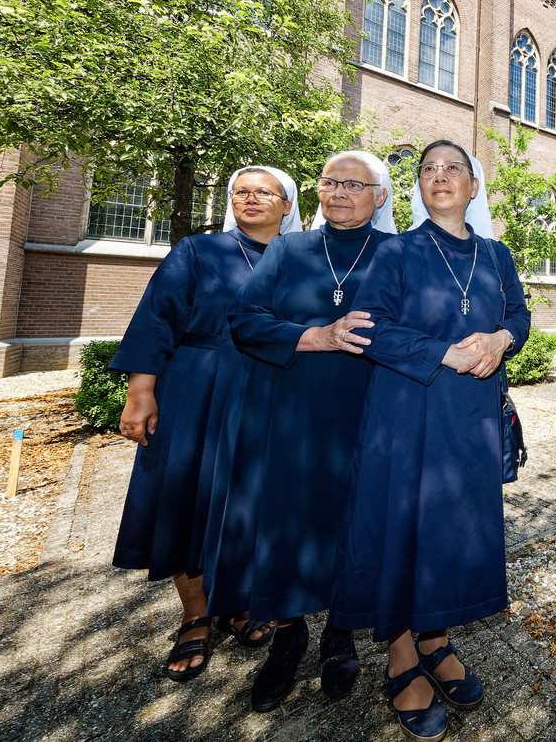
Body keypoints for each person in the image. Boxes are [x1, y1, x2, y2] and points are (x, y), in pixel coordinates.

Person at [330, 140, 531, 742]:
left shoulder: (496, 256)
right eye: (428, 171)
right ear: (418, 188)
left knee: (451, 526)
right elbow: (370, 329)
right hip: (406, 410)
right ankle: (398, 655)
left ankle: (437, 638)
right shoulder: (397, 251)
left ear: (474, 186)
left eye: (453, 169)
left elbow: (519, 317)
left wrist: (500, 341)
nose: (439, 177)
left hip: (469, 417)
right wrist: (443, 351)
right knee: (400, 527)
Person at [200, 150, 395, 712]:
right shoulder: (289, 248)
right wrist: (318, 336)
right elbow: (244, 319)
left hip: (367, 409)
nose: (338, 192)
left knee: (352, 522)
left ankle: (340, 633)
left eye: (354, 184)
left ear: (379, 197)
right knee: (286, 519)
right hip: (290, 407)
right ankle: (289, 636)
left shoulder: (397, 252)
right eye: (330, 182)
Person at [110, 165, 302, 682]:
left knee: (248, 500)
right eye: (241, 191)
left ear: (288, 205)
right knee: (188, 496)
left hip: (267, 395)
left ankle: (238, 602)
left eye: (265, 192)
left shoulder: (301, 259)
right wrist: (141, 390)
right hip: (197, 387)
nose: (250, 198)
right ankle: (196, 614)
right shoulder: (197, 251)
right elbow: (157, 318)